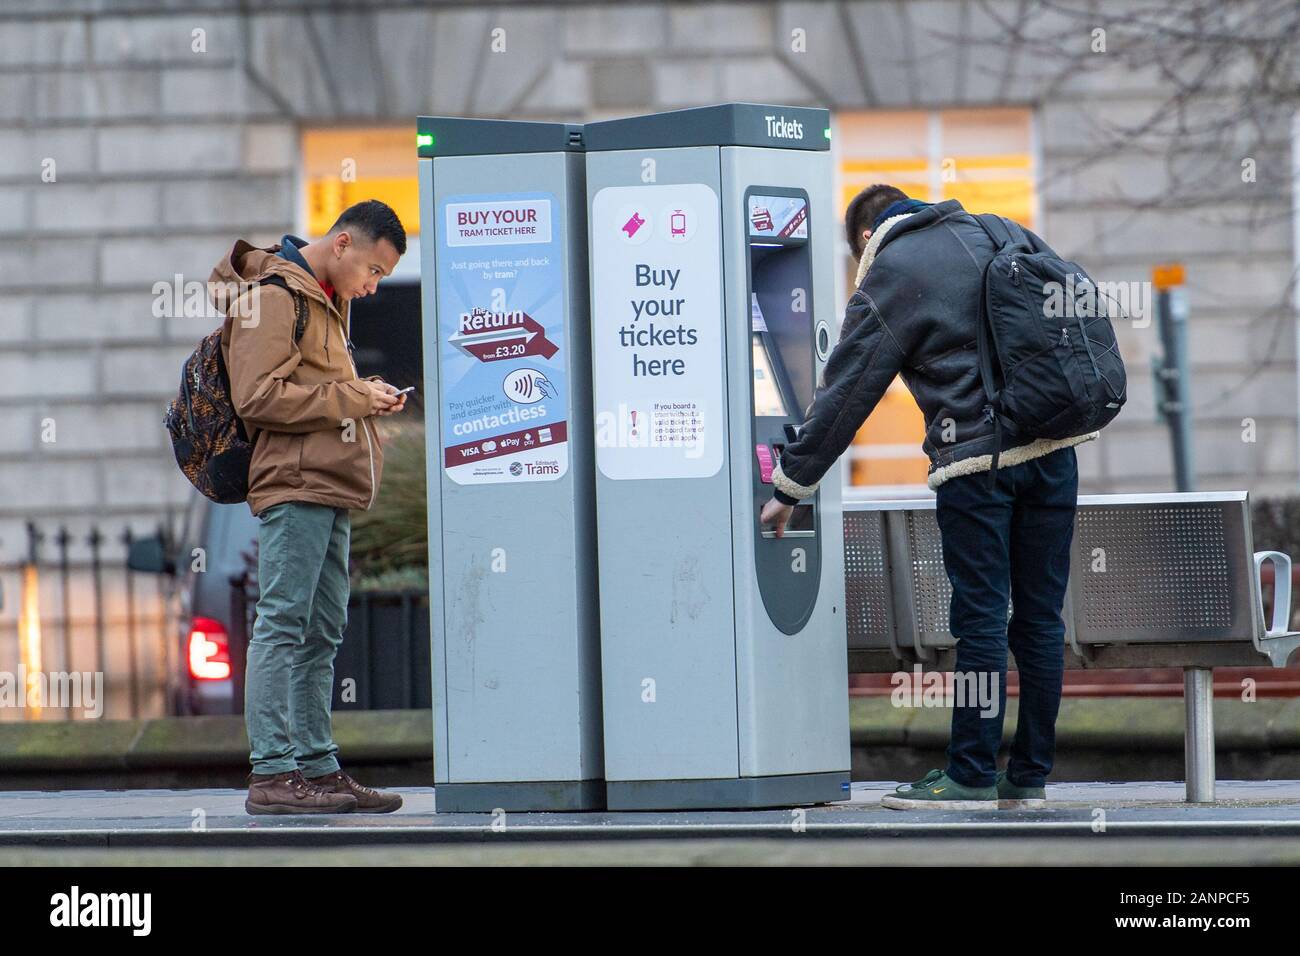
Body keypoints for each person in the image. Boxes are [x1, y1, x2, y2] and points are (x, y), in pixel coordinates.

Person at [760, 185, 1096, 810]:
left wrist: (791, 484)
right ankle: (1029, 777)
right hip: (1054, 452)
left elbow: (848, 391)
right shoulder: (1003, 230)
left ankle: (969, 772)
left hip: (977, 465)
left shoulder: (895, 270)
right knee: (1041, 619)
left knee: (981, 618)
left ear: (865, 238)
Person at [210, 199, 409, 815]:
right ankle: (272, 774)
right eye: (373, 271)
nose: (373, 288)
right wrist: (352, 397)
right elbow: (258, 396)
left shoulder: (328, 298)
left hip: (330, 484)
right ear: (343, 243)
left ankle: (318, 770)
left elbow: (317, 389)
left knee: (322, 630)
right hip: (294, 485)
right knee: (282, 623)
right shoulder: (276, 294)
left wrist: (363, 401)